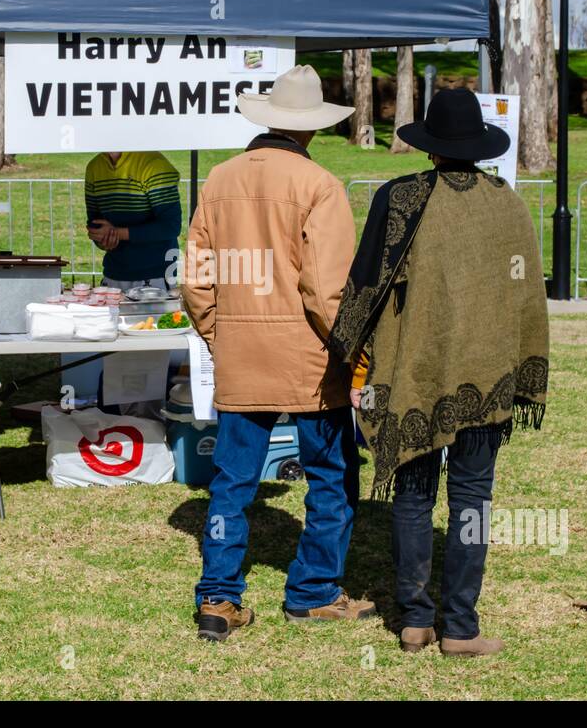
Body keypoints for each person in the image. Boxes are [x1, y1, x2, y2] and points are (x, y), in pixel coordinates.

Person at [327, 88, 550, 657]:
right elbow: (526, 296)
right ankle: (461, 628)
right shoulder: (507, 202)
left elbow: (367, 284)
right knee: (473, 498)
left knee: (413, 493)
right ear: (477, 146)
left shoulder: (401, 197)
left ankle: (414, 621)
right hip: (486, 374)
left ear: (430, 148)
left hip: (416, 371)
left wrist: (341, 350)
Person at [182, 64, 374, 642]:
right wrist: (354, 352)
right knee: (332, 477)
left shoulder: (219, 179)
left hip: (242, 353)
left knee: (232, 480)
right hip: (311, 358)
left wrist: (223, 334)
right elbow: (327, 290)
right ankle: (313, 591)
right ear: (311, 129)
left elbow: (195, 280)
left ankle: (218, 597)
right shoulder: (320, 186)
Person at [84, 150, 181, 291]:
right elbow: (95, 224)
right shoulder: (94, 167)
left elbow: (171, 226)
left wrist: (117, 233)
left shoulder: (154, 164)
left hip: (155, 276)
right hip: (113, 274)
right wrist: (103, 239)